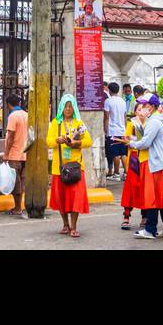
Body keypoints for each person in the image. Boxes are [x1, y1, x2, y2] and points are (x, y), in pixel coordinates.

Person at [127, 94, 163, 239]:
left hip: (158, 165)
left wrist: (131, 143)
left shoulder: (153, 122)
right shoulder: (158, 120)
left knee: (153, 197)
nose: (142, 108)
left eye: (145, 105)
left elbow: (145, 143)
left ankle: (150, 229)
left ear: (152, 107)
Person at [46, 94, 92, 238]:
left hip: (76, 167)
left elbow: (88, 141)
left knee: (75, 199)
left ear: (74, 108)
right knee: (61, 198)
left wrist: (75, 143)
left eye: (70, 106)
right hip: (59, 168)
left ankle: (74, 226)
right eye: (65, 106)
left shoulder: (79, 123)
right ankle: (65, 224)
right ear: (61, 108)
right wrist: (57, 140)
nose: (68, 109)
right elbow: (48, 142)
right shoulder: (56, 123)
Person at [120, 101, 149, 230]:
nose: (142, 111)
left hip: (147, 159)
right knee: (131, 188)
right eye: (139, 109)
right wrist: (133, 140)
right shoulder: (132, 124)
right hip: (134, 159)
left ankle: (145, 216)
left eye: (144, 109)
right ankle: (126, 216)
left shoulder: (150, 123)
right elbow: (125, 139)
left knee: (145, 188)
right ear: (136, 111)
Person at [2, 93, 29, 217]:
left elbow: (11, 136)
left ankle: (18, 208)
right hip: (25, 153)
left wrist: (6, 153)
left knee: (14, 183)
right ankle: (19, 206)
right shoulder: (26, 114)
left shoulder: (13, 116)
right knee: (21, 182)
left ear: (8, 105)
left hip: (15, 154)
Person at [103, 82, 129, 180]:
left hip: (112, 130)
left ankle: (117, 173)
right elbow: (125, 116)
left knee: (115, 154)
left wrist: (105, 129)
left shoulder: (108, 101)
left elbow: (106, 117)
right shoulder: (122, 101)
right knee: (123, 153)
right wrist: (125, 129)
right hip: (122, 130)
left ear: (109, 90)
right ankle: (126, 173)